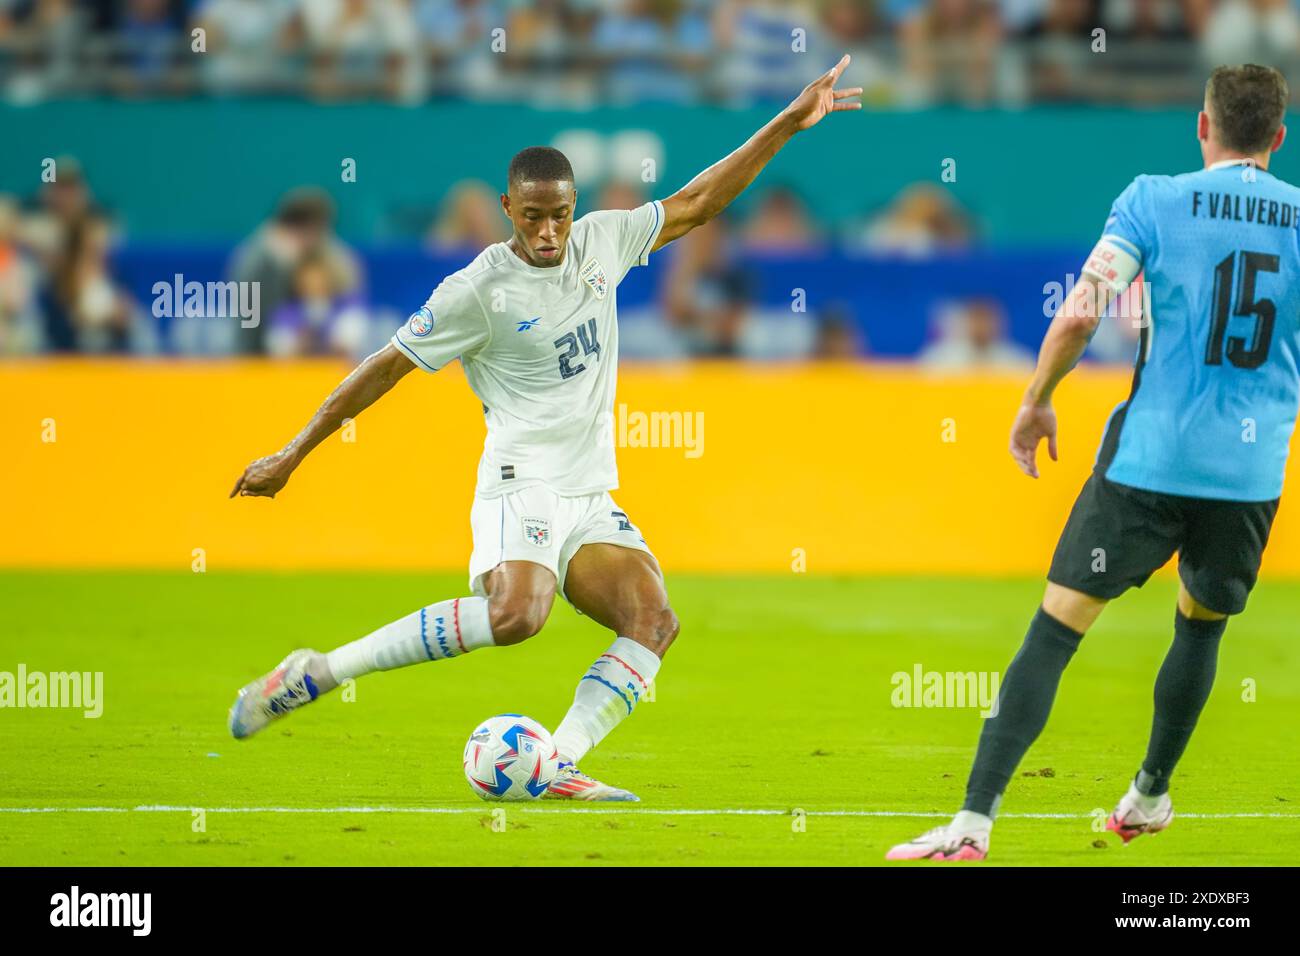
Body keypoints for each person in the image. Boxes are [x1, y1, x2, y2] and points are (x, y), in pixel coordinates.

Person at [226, 55, 862, 801]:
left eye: (560, 212)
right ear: (508, 208)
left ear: (573, 204)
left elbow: (697, 202)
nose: (550, 230)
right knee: (516, 615)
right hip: (519, 480)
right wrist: (294, 452)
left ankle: (553, 762)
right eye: (533, 216)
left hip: (588, 490)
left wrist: (789, 119)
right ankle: (318, 672)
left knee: (653, 621)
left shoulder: (602, 242)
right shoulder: (477, 291)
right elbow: (384, 366)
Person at [889, 64, 1299, 860]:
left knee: (1055, 631)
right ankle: (1149, 793)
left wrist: (1037, 395)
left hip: (1150, 459)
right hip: (1247, 476)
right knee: (1201, 627)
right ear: (1279, 138)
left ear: (1202, 127)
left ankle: (972, 824)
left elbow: (1082, 309)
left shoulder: (1154, 198)